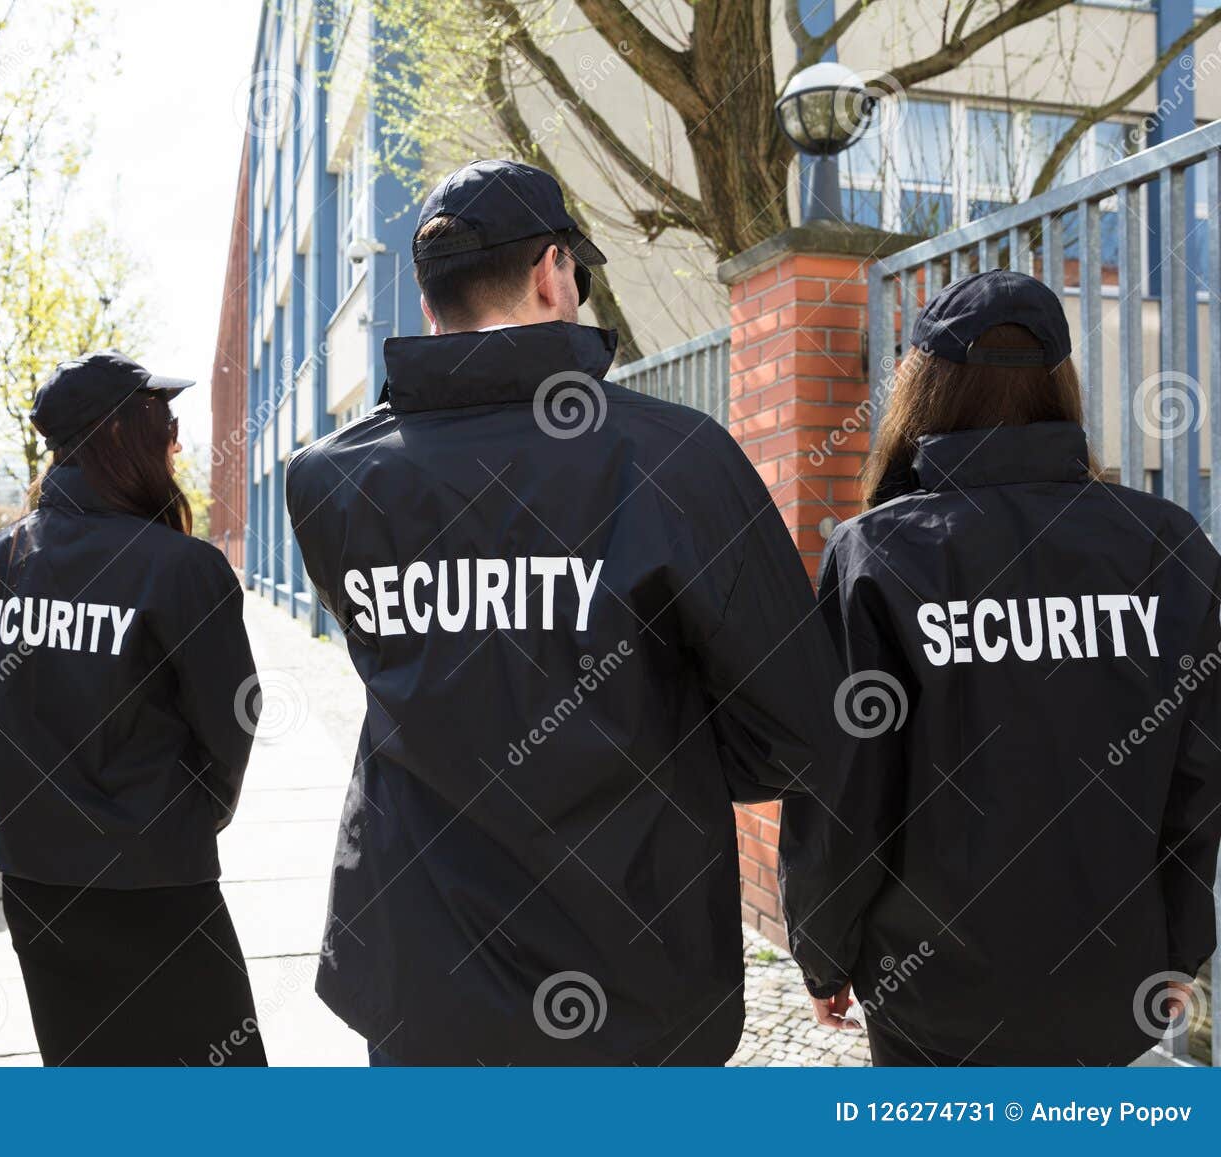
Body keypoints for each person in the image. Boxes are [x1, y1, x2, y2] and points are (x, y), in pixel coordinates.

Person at [284, 159, 844, 1065]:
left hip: (421, 977)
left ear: (432, 307)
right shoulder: (677, 459)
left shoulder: (329, 479)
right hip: (635, 978)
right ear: (553, 273)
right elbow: (801, 724)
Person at [781, 269, 1221, 1066]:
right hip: (1110, 982)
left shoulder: (879, 553)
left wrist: (823, 948)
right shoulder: (1167, 544)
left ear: (923, 388)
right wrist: (1182, 944)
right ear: (1062, 386)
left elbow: (844, 791)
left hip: (933, 991)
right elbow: (1200, 776)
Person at [0, 351, 266, 1066]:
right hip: (157, 882)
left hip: (37, 880)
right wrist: (190, 817)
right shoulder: (179, 567)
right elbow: (233, 724)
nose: (178, 442)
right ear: (121, 435)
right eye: (166, 423)